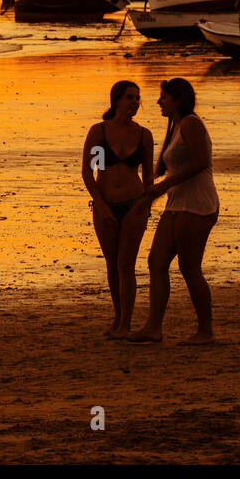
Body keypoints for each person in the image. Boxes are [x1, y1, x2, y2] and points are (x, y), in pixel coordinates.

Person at [129, 79, 219, 345]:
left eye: (164, 97)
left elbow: (201, 163)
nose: (159, 102)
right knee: (156, 261)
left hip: (197, 204)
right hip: (176, 202)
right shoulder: (176, 126)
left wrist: (164, 185)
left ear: (178, 100)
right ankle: (153, 328)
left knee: (189, 267)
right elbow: (163, 170)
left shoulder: (191, 123)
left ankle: (206, 331)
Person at [81, 81, 154, 339]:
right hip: (105, 205)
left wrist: (145, 205)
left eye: (137, 98)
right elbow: (88, 173)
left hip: (134, 205)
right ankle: (117, 318)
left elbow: (148, 178)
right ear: (116, 101)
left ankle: (126, 324)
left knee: (127, 264)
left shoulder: (144, 135)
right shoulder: (99, 132)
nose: (135, 102)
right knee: (112, 265)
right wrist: (99, 204)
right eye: (129, 98)